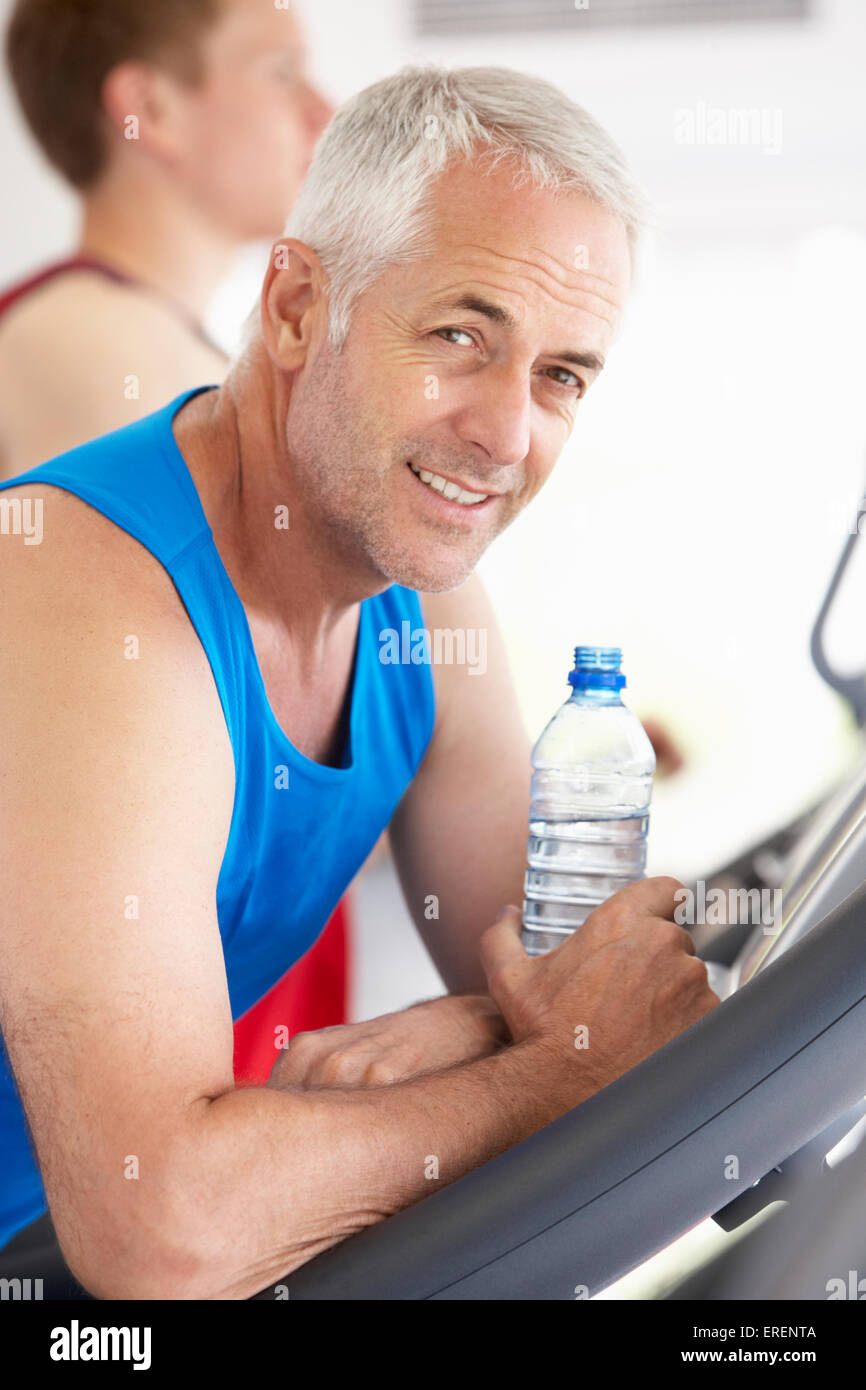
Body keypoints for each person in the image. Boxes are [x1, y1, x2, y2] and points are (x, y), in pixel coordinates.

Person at [0, 64, 718, 1299]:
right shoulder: (81, 600)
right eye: (458, 336)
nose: (504, 435)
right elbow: (159, 1225)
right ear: (294, 307)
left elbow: (576, 973)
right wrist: (552, 1073)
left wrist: (467, 1033)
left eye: (559, 377)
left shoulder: (424, 613)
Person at [0, 0, 347, 1081]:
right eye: (279, 71)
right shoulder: (88, 344)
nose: (320, 109)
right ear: (148, 108)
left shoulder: (170, 351)